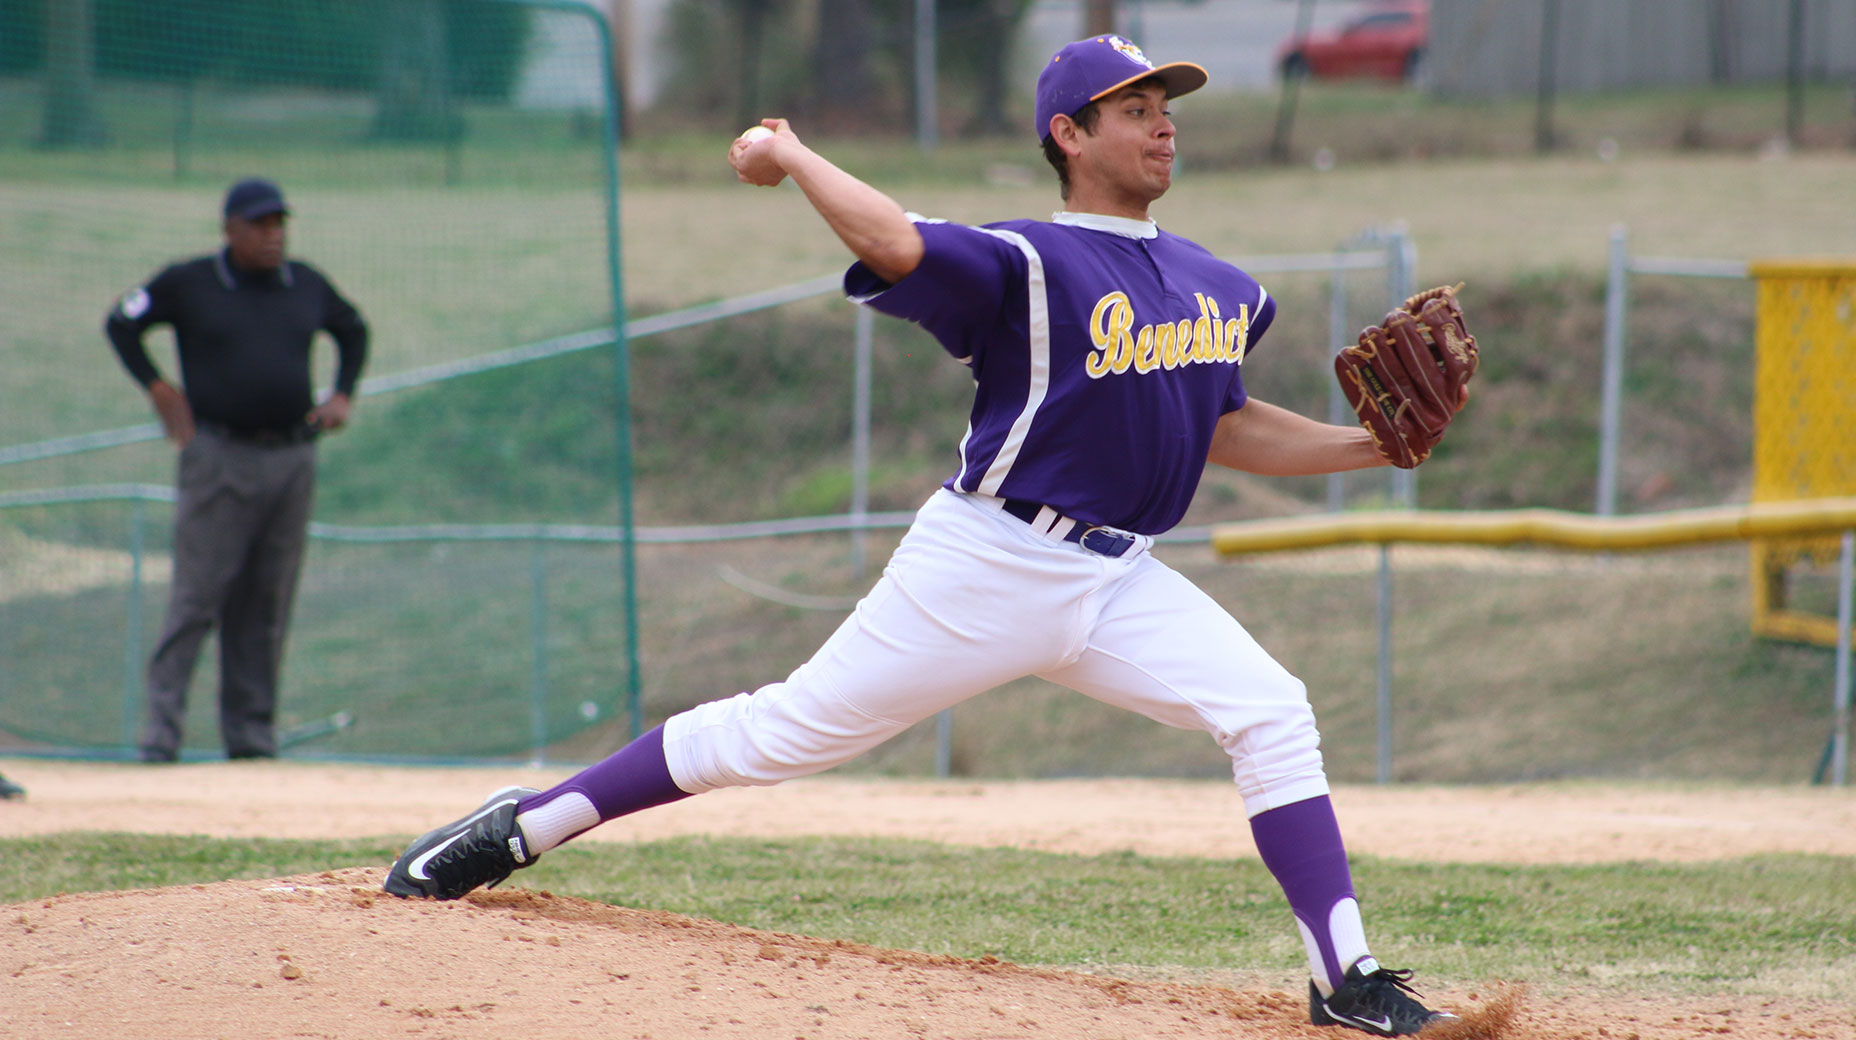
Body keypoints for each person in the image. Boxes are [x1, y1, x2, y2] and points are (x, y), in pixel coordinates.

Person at [385, 36, 1461, 1037]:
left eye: (1164, 106)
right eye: (1130, 107)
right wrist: (794, 154)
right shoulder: (1024, 264)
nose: (1161, 123)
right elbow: (893, 239)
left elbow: (1225, 423)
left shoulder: (1217, 284)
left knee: (1270, 710)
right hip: (988, 561)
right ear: (1068, 136)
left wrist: (1369, 451)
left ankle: (1345, 977)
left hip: (1121, 577)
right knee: (779, 736)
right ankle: (523, 825)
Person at [104, 177, 369, 763]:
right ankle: (161, 735)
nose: (273, 236)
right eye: (259, 225)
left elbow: (353, 329)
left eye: (279, 224)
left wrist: (342, 394)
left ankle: (250, 739)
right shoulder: (190, 282)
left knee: (265, 599)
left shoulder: (306, 283)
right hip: (219, 456)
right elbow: (121, 322)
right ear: (229, 230)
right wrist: (159, 388)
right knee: (198, 596)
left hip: (292, 457)